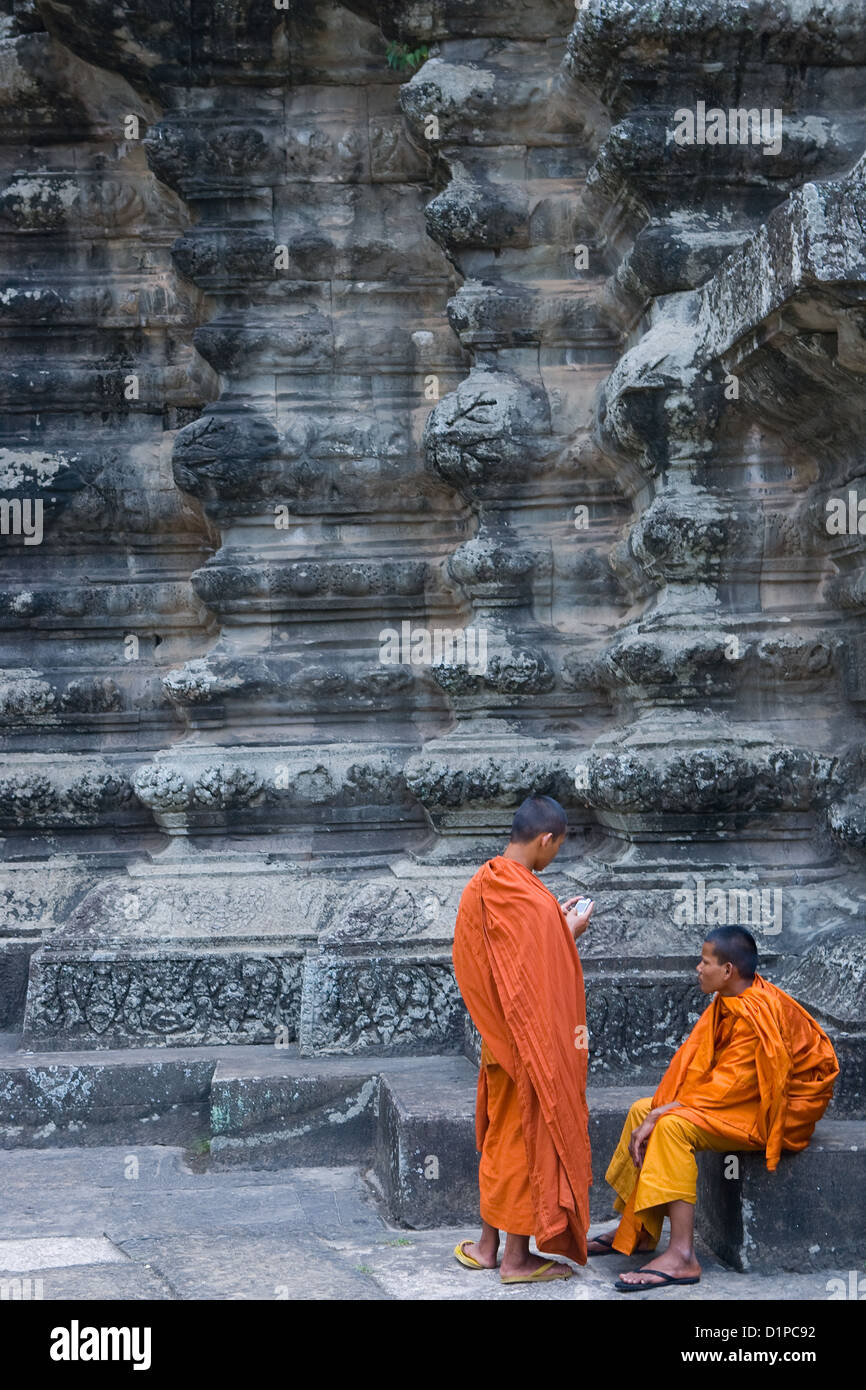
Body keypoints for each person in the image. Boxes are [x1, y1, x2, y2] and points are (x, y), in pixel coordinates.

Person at [588, 926, 839, 1291]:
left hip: (774, 1113)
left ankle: (683, 1256)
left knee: (671, 1125)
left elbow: (726, 1089)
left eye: (704, 962)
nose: (697, 968)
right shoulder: (731, 997)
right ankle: (639, 1229)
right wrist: (658, 1110)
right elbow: (710, 1076)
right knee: (645, 1109)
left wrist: (664, 1114)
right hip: (745, 1099)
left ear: (728, 971)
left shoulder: (758, 1014)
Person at [452, 794, 594, 1284]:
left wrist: (555, 924)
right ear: (546, 839)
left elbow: (494, 967)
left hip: (498, 1040)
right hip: (527, 1045)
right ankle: (516, 1258)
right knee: (524, 1141)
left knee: (501, 1136)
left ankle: (487, 1245)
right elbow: (534, 978)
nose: (555, 856)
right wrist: (566, 929)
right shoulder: (531, 899)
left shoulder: (485, 882)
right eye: (557, 848)